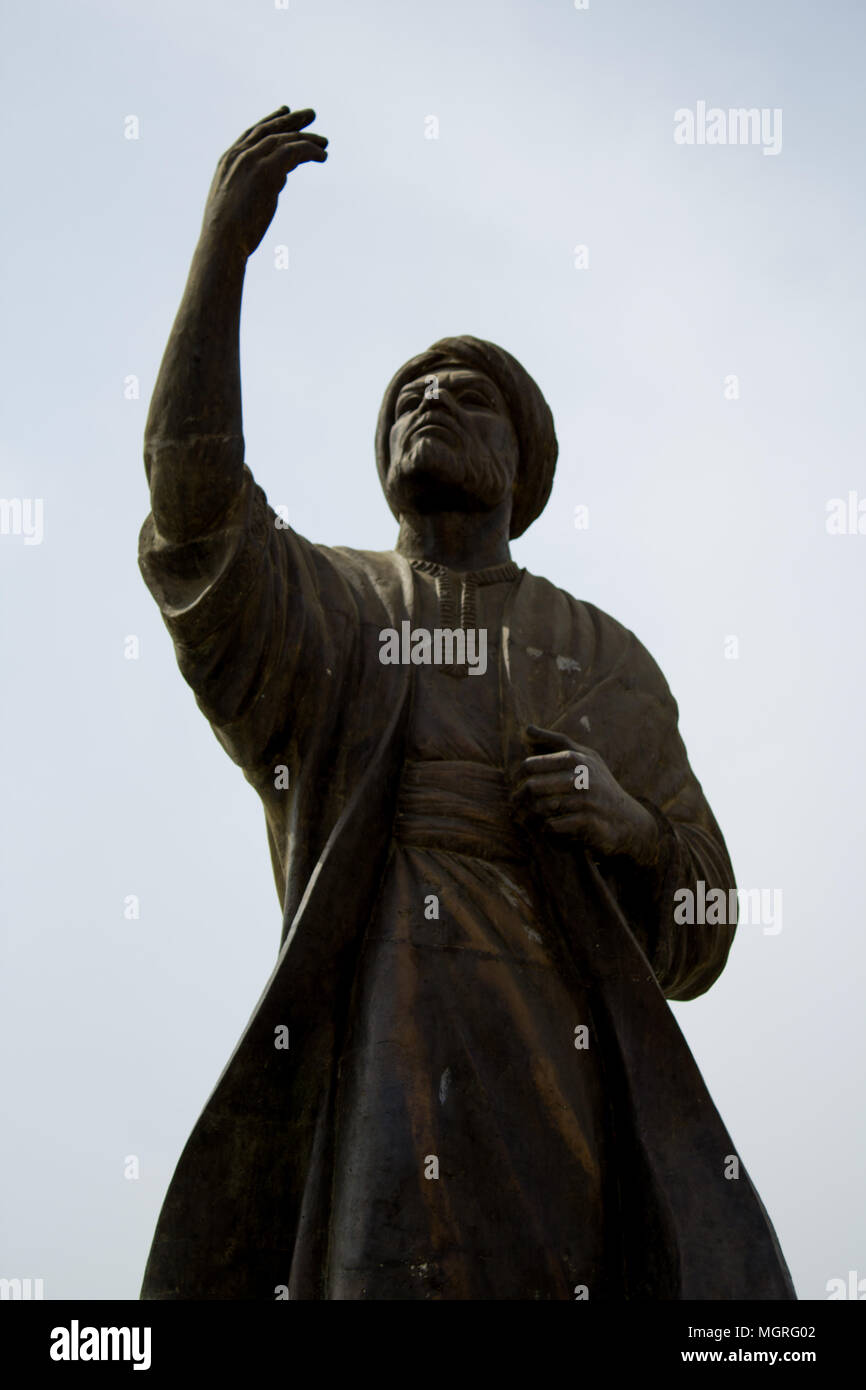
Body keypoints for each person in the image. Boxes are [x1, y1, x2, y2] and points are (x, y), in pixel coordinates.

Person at [139, 106, 794, 1300]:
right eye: (408, 397)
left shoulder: (600, 656)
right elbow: (194, 511)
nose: (430, 403)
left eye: (466, 398)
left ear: (524, 469)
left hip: (553, 1067)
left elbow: (704, 917)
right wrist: (222, 257)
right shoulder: (331, 604)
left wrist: (631, 828)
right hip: (374, 1051)